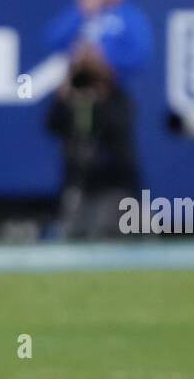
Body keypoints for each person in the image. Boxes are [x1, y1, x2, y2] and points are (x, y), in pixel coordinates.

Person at [44, 47, 140, 240]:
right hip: (78, 183)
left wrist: (100, 98)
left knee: (105, 233)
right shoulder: (71, 101)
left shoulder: (116, 98)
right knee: (68, 234)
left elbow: (118, 133)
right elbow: (51, 124)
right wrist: (64, 96)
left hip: (113, 185)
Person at [43, 0, 153, 86]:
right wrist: (79, 12)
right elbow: (52, 38)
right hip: (74, 83)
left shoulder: (131, 16)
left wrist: (104, 55)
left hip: (112, 86)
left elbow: (139, 56)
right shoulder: (80, 9)